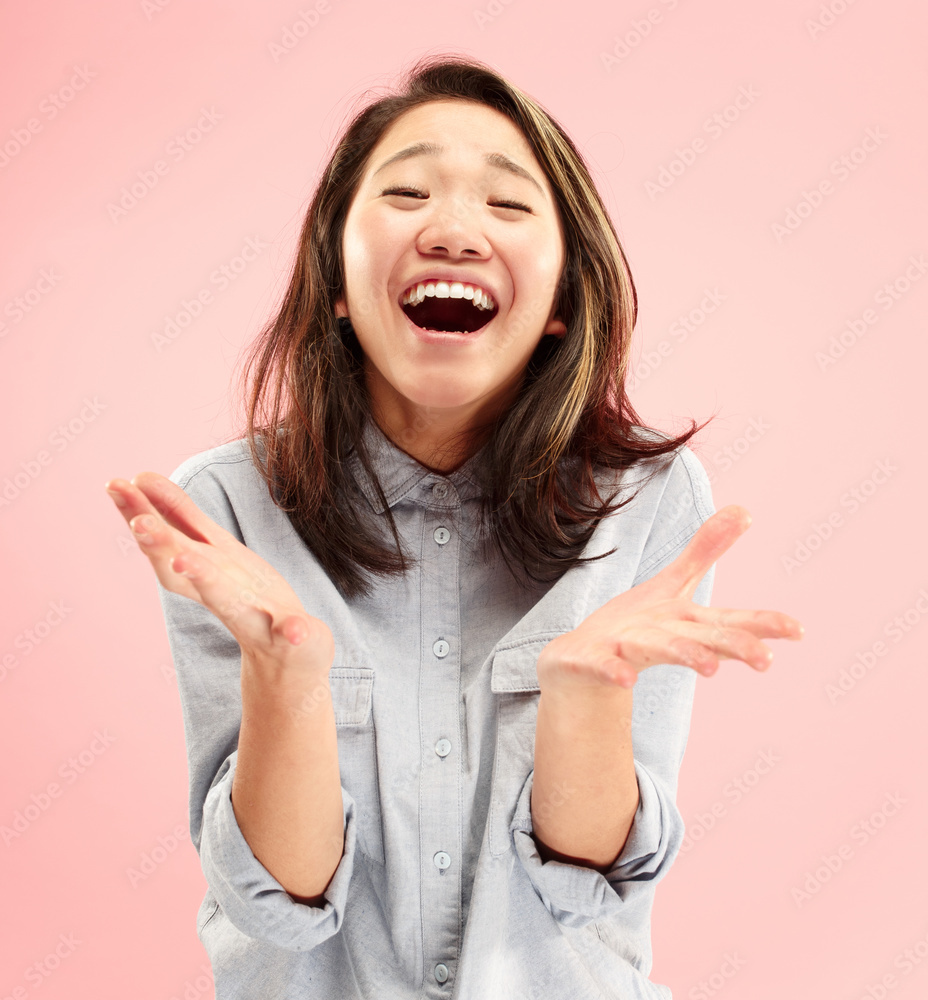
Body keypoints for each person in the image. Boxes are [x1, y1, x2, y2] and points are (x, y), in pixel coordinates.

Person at [105, 55, 803, 999]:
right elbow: (278, 909)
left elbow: (591, 888)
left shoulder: (647, 497)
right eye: (406, 193)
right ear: (337, 281)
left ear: (561, 302)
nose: (452, 231)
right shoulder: (227, 510)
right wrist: (287, 672)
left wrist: (586, 696)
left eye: (508, 205)